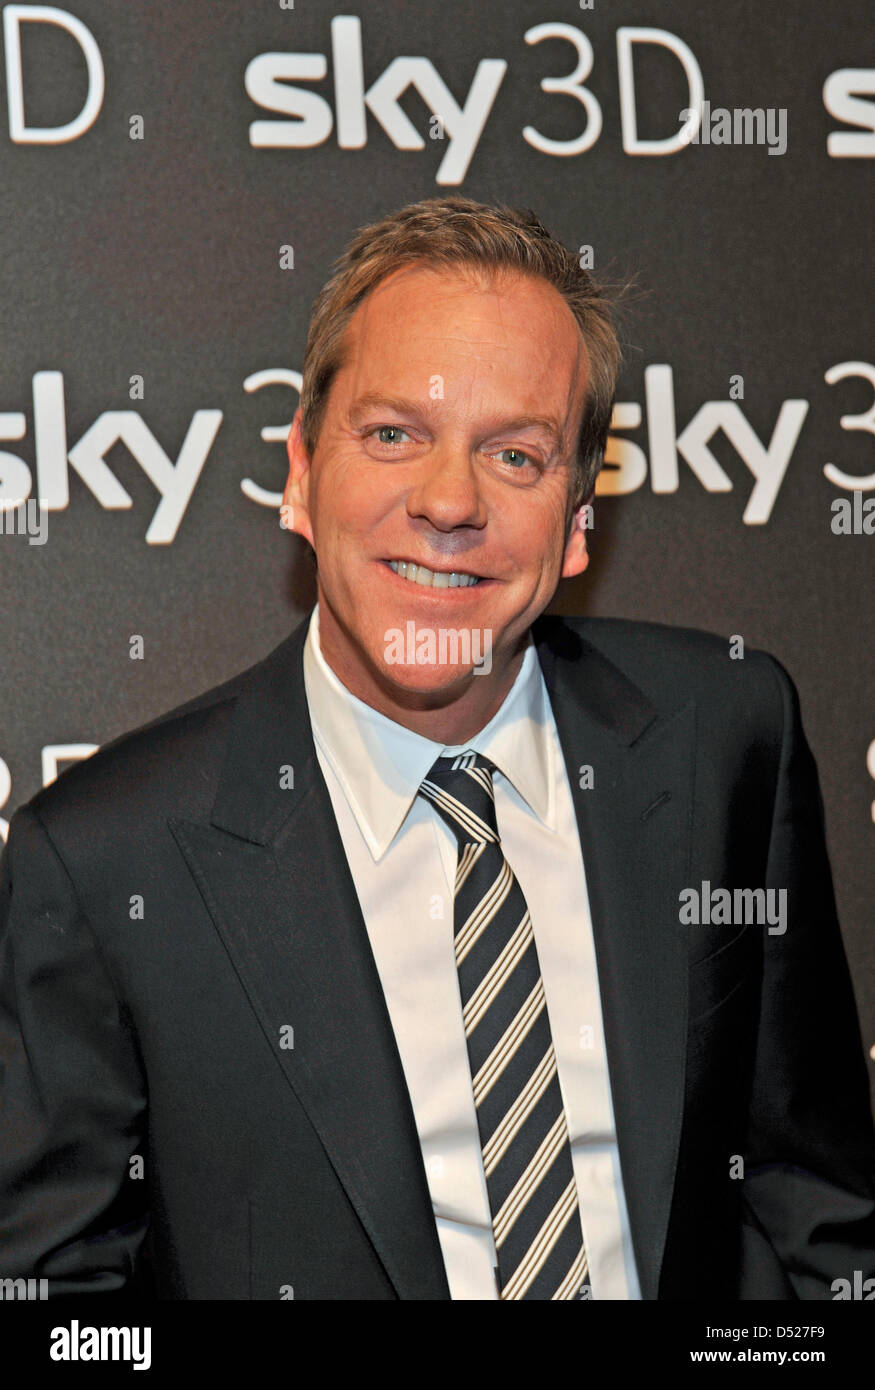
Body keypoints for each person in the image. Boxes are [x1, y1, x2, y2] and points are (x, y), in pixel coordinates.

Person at [1, 196, 873, 1301]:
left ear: (574, 523)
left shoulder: (722, 738)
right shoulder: (105, 863)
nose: (448, 501)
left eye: (514, 454)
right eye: (393, 434)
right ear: (302, 474)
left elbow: (811, 1203)